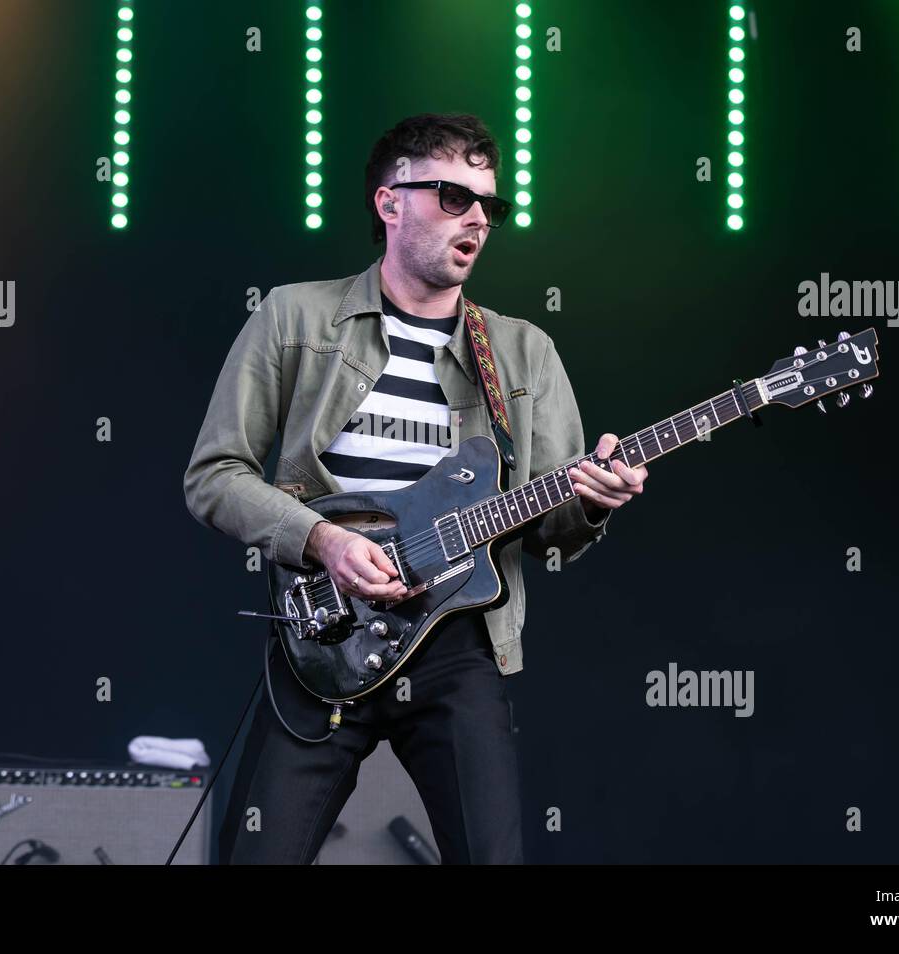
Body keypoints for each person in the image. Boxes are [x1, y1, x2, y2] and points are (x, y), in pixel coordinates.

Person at [183, 113, 647, 864]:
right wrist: (322, 540)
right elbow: (214, 477)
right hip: (326, 635)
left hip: (457, 645)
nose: (477, 220)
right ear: (389, 201)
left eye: (489, 206)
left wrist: (592, 498)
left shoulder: (523, 352)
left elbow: (553, 525)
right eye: (452, 197)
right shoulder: (294, 317)